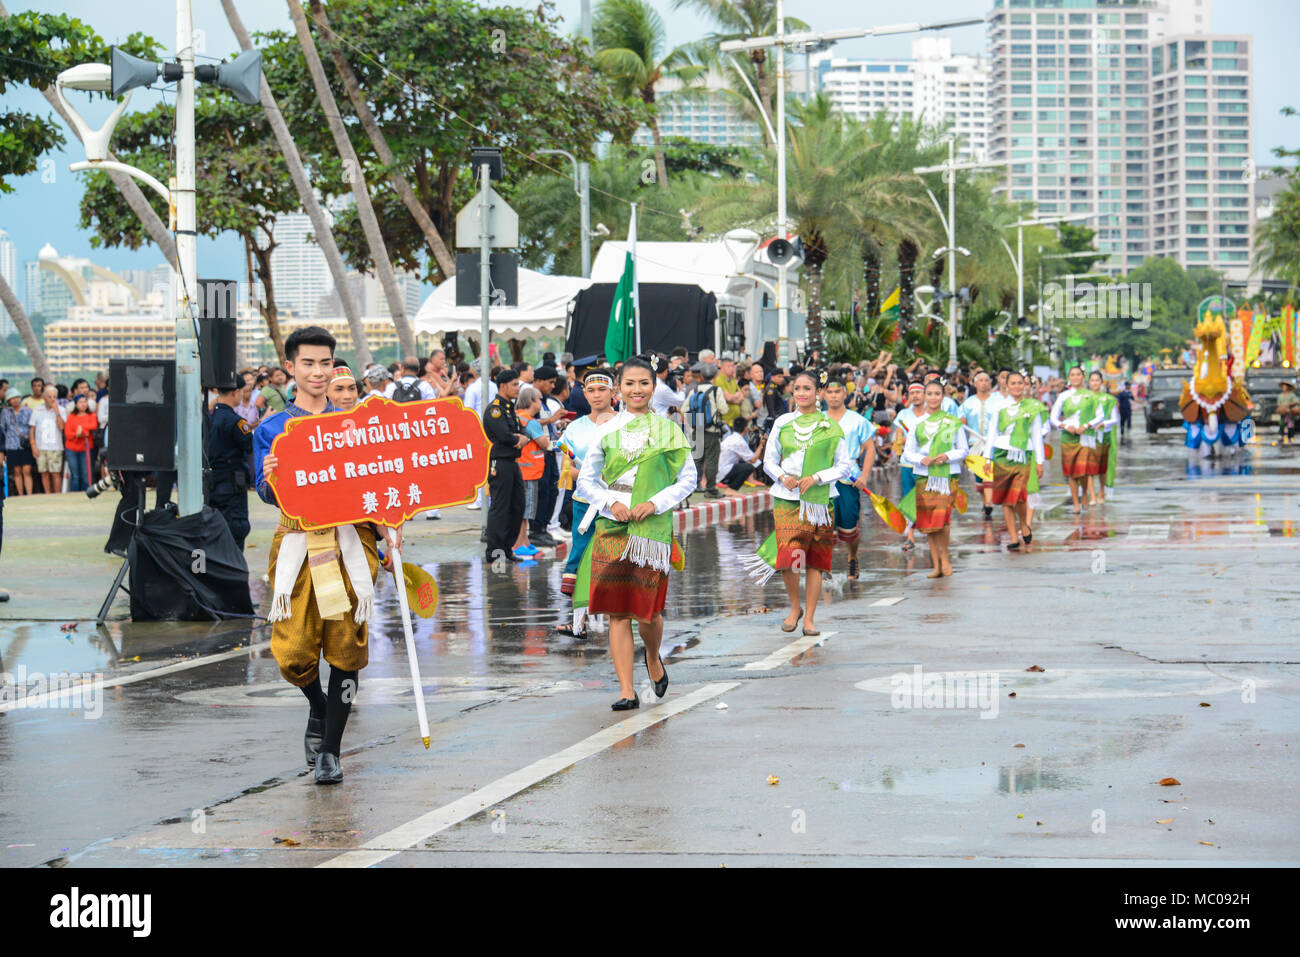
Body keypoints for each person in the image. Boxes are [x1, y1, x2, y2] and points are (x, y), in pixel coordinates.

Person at [253, 326, 386, 785]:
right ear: (290, 367)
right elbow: (265, 492)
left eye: (325, 363)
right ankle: (319, 706)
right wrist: (269, 476)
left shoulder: (356, 422)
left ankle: (331, 749)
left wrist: (393, 525)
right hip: (296, 542)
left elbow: (379, 484)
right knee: (292, 651)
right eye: (307, 363)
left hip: (352, 539)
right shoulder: (272, 427)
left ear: (335, 365)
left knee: (347, 648)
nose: (317, 371)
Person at [574, 357, 696, 710]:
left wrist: (656, 503)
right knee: (617, 612)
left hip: (650, 532)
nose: (636, 390)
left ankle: (654, 657)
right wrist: (610, 503)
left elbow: (688, 479)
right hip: (613, 528)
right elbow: (586, 480)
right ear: (618, 389)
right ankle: (626, 691)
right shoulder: (605, 431)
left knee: (647, 613)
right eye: (629, 384)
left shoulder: (669, 430)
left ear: (653, 387)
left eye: (643, 383)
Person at [745, 370, 850, 636]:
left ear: (819, 393)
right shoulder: (783, 422)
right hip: (786, 498)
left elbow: (844, 467)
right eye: (798, 389)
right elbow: (769, 461)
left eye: (807, 389)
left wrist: (817, 477)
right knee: (790, 557)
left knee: (815, 560)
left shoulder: (830, 426)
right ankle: (795, 608)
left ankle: (810, 618)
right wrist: (782, 477)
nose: (801, 393)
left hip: (820, 501)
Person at [558, 366, 620, 636]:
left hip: (617, 504)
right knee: (581, 558)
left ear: (613, 391)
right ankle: (578, 622)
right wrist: (589, 474)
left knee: (615, 559)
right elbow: (566, 468)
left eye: (602, 389)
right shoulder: (575, 428)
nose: (596, 395)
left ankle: (620, 618)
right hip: (584, 502)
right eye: (591, 390)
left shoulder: (625, 423)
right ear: (584, 393)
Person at [902, 380, 970, 578]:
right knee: (928, 521)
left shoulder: (953, 422)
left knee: (944, 518)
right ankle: (936, 564)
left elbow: (963, 449)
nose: (933, 397)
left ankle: (945, 560)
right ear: (924, 396)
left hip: (947, 475)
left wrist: (947, 456)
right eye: (929, 394)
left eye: (937, 394)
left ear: (943, 396)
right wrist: (923, 459)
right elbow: (908, 452)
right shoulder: (917, 423)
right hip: (924, 475)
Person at [983, 371, 1046, 551]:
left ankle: (1024, 525)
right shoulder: (999, 407)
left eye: (1020, 383)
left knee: (1019, 496)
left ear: (1025, 385)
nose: (1017, 386)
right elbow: (992, 433)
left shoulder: (1033, 407)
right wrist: (988, 458)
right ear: (1007, 385)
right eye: (1013, 383)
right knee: (1005, 498)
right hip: (1003, 454)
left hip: (1023, 455)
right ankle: (1012, 536)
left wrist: (1039, 461)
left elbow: (1036, 435)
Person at [822, 376, 875, 580]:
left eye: (837, 392)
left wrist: (864, 476)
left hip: (848, 478)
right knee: (824, 525)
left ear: (845, 393)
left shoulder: (857, 420)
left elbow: (870, 449)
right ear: (823, 394)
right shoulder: (818, 419)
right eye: (829, 392)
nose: (834, 396)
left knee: (849, 525)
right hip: (824, 478)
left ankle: (852, 557)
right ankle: (824, 567)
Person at [482, 368, 528, 564]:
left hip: (512, 461)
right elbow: (505, 436)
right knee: (500, 507)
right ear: (502, 386)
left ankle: (507, 547)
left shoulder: (509, 408)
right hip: (499, 462)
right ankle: (494, 550)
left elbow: (520, 431)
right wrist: (517, 439)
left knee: (517, 506)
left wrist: (518, 438)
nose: (518, 388)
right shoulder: (495, 409)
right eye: (514, 385)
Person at [1050, 366, 1104, 513]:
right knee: (1072, 472)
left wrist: (1087, 425)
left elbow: (1100, 415)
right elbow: (1053, 418)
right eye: (1072, 375)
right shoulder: (1063, 396)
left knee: (1083, 471)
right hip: (1068, 437)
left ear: (1083, 377)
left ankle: (1085, 493)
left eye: (1078, 375)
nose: (1075, 377)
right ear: (1069, 377)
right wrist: (1065, 426)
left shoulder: (1091, 395)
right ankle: (1075, 503)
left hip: (1085, 437)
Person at [208, 380, 254, 551]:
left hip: (211, 483)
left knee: (213, 531)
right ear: (235, 392)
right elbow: (250, 445)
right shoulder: (236, 422)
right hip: (232, 486)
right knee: (236, 530)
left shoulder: (208, 417)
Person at [514, 385, 550, 559]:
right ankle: (520, 544)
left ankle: (525, 542)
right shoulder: (531, 422)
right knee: (525, 512)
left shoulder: (516, 418)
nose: (541, 403)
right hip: (530, 473)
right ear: (532, 401)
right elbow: (544, 444)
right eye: (539, 399)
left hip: (519, 470)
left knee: (521, 511)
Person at [892, 382, 927, 549]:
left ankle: (931, 531)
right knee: (908, 498)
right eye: (912, 393)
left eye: (919, 393)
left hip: (927, 463)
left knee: (927, 498)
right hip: (907, 463)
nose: (915, 396)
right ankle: (910, 537)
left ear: (925, 395)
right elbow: (899, 439)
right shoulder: (903, 414)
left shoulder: (931, 414)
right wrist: (908, 440)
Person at [1088, 370, 1120, 503]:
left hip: (1104, 436)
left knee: (1102, 467)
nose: (1095, 383)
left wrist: (1103, 424)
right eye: (1092, 380)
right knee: (1088, 467)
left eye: (1097, 380)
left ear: (1101, 382)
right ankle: (1092, 496)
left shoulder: (1109, 400)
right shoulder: (1085, 398)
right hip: (1088, 436)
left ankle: (1101, 492)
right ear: (1089, 383)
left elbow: (1115, 419)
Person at [29, 385, 67, 494]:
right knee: (44, 473)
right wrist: (33, 445)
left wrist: (56, 412)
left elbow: (62, 427)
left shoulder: (61, 410)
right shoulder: (37, 410)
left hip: (55, 447)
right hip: (40, 447)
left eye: (54, 397)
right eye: (50, 397)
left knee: (55, 473)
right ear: (44, 397)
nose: (52, 399)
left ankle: (57, 494)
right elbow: (32, 429)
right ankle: (47, 494)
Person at [62, 394, 98, 493]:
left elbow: (93, 425)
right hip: (72, 448)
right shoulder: (71, 417)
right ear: (76, 404)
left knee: (86, 474)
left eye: (85, 401)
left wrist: (81, 430)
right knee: (75, 475)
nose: (83, 404)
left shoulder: (92, 415)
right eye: (80, 402)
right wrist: (78, 434)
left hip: (85, 448)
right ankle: (75, 494)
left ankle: (87, 493)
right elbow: (68, 434)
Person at [717, 416, 763, 490]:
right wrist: (761, 445)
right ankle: (732, 489)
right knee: (749, 467)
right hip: (723, 472)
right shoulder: (739, 441)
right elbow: (753, 460)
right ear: (745, 428)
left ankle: (749, 480)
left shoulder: (730, 438)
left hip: (719, 470)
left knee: (747, 462)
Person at [2, 393, 34, 495]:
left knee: (27, 470)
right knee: (16, 471)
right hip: (11, 444)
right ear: (9, 401)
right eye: (12, 398)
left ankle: (29, 494)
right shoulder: (5, 412)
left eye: (16, 398)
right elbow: (3, 428)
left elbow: (32, 427)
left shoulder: (28, 411)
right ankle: (20, 494)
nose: (15, 400)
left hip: (26, 444)